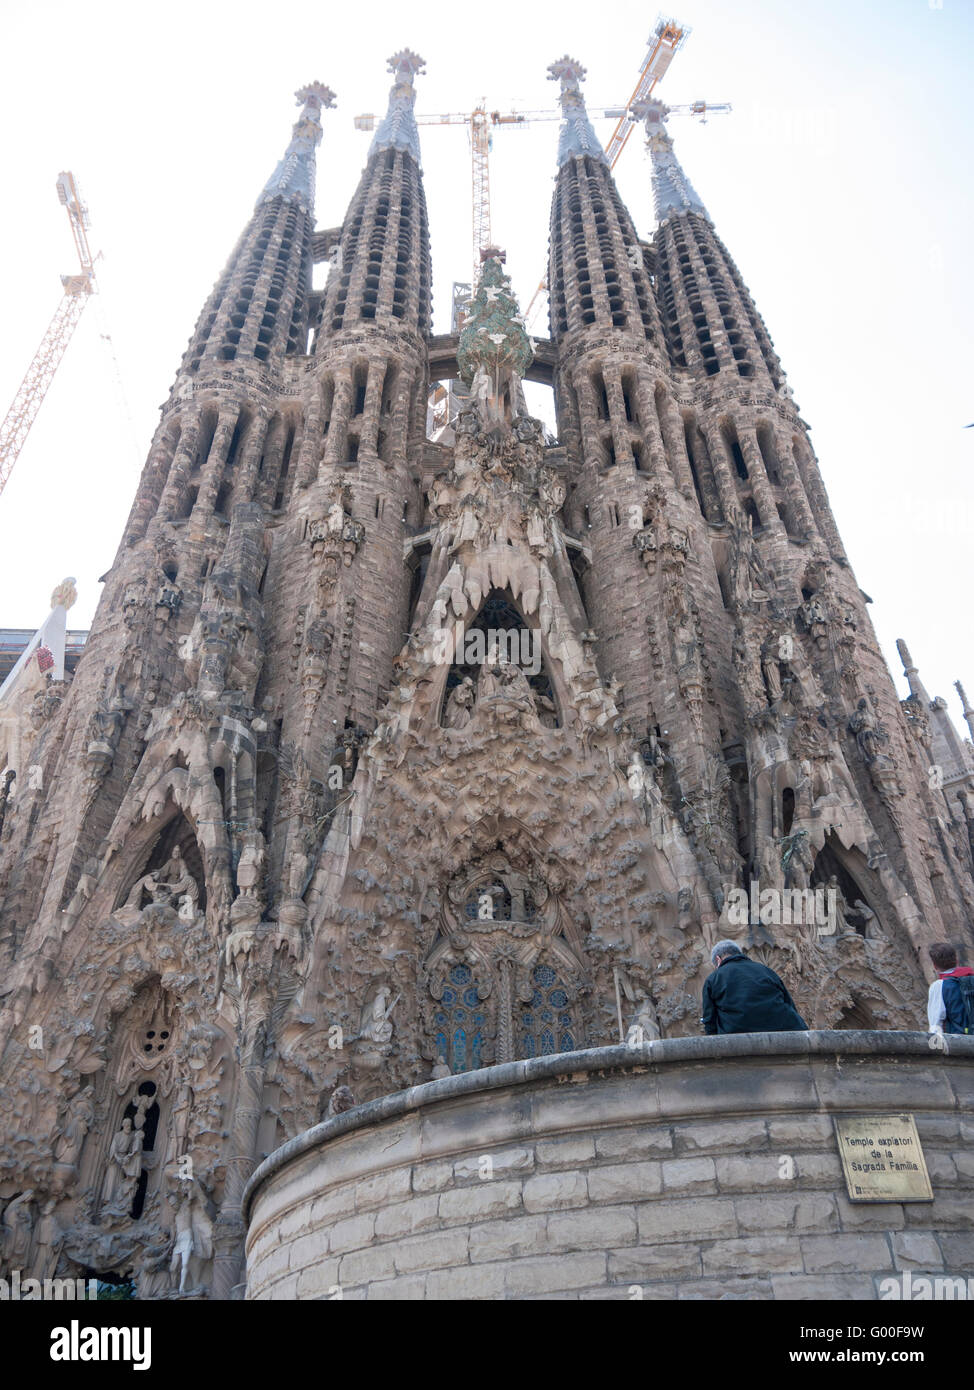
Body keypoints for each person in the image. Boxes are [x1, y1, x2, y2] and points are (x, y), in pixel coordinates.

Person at [702, 940, 807, 1035]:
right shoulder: (766, 971)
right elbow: (789, 1003)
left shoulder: (713, 978)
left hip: (737, 1036)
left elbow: (709, 1021)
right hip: (783, 1030)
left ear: (718, 959)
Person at [926, 942, 974, 1036]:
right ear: (956, 960)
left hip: (959, 1040)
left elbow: (935, 1024)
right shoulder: (971, 977)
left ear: (935, 965)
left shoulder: (939, 986)